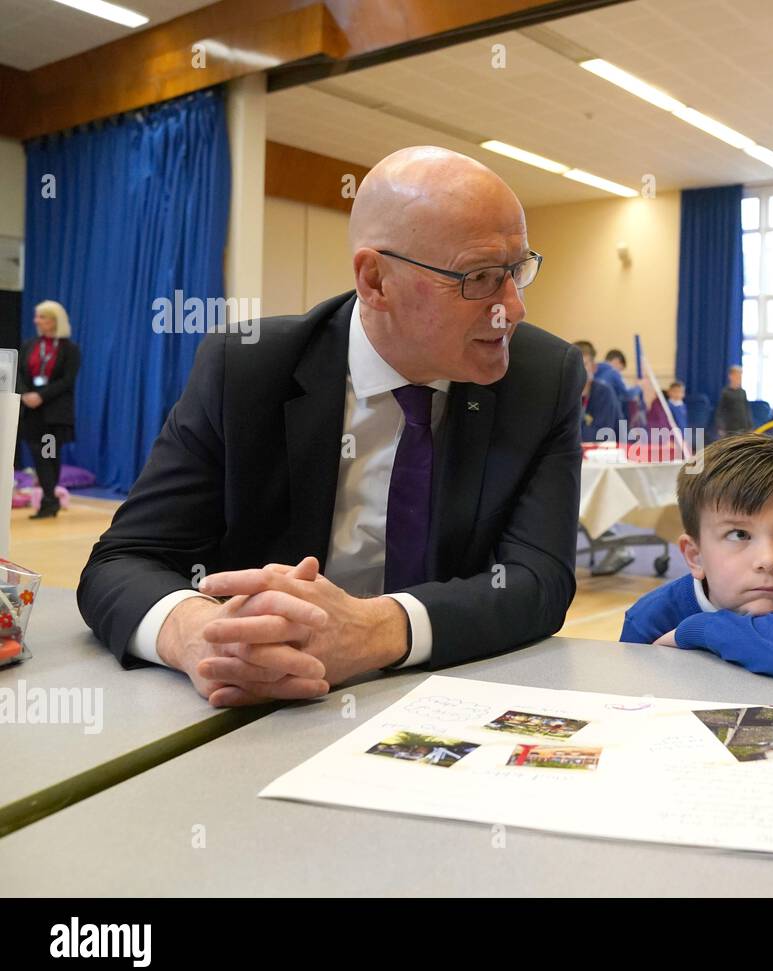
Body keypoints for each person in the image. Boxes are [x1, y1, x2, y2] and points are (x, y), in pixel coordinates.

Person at [77, 146, 585, 707]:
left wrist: (376, 629)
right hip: (263, 708)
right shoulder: (247, 369)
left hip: (445, 696)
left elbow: (540, 581)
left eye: (518, 271)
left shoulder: (541, 378)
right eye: (481, 278)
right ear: (375, 280)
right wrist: (200, 636)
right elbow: (123, 560)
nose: (512, 309)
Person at [619, 432, 773, 683]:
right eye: (739, 534)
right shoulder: (649, 619)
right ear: (696, 557)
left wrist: (699, 629)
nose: (768, 560)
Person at [18, 300, 81, 520]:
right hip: (32, 413)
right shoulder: (30, 345)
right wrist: (26, 394)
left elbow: (67, 380)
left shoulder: (69, 349)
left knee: (49, 456)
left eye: (42, 317)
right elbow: (19, 374)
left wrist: (41, 396)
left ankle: (49, 500)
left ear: (54, 321)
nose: (37, 321)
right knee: (41, 455)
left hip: (53, 414)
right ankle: (49, 499)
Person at [574, 340, 620, 442]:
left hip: (606, 453)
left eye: (584, 364)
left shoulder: (604, 392)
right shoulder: (565, 394)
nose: (579, 369)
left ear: (594, 368)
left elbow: (602, 435)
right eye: (575, 364)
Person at [714, 365, 752, 436]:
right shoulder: (726, 393)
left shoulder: (743, 392)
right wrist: (720, 427)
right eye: (736, 376)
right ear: (730, 376)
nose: (739, 378)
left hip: (743, 428)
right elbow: (720, 411)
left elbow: (747, 410)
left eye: (740, 376)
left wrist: (750, 426)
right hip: (730, 428)